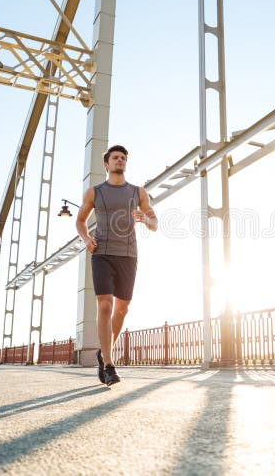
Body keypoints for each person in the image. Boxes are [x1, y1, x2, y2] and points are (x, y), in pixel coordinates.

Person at [76, 144, 157, 386]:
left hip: (128, 255)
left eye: (123, 158)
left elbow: (155, 222)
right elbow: (80, 221)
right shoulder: (94, 192)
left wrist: (146, 220)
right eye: (115, 157)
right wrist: (86, 238)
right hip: (102, 254)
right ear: (106, 164)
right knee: (104, 305)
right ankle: (109, 364)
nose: (120, 160)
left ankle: (104, 350)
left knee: (122, 309)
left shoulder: (138, 192)